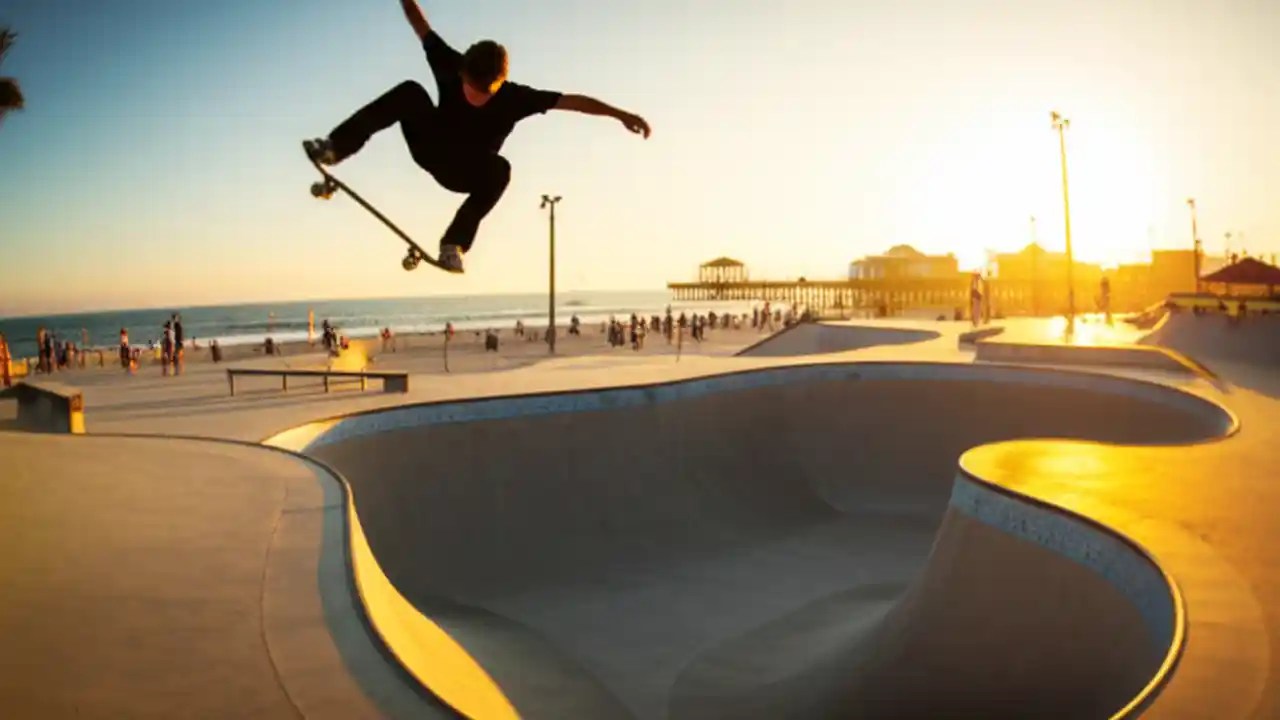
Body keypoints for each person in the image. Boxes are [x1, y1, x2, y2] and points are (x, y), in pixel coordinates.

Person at [304, 0, 651, 273]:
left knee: (501, 169)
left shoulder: (517, 98)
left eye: (483, 92)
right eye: (469, 87)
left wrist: (620, 115)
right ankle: (334, 149)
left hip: (466, 173)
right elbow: (416, 19)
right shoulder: (448, 62)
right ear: (463, 69)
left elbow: (573, 102)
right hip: (430, 147)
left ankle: (454, 244)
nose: (473, 95)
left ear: (499, 84)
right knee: (410, 92)